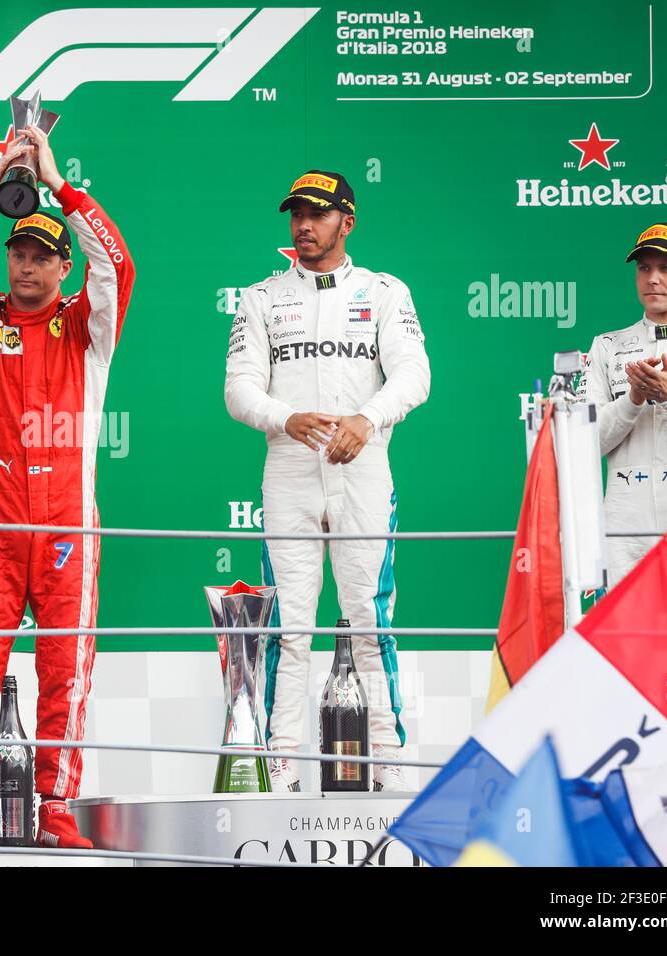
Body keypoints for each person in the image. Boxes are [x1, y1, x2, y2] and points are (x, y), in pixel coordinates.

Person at [0, 124, 134, 848]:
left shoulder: (89, 327)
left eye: (41, 255)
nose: (26, 266)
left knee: (65, 668)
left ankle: (56, 810)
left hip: (69, 524)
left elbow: (118, 264)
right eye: (18, 253)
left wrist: (58, 182)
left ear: (64, 266)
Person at [224, 170, 430, 792]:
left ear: (348, 220)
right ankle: (280, 765)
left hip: (363, 467)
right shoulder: (261, 297)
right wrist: (285, 417)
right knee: (290, 626)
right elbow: (237, 389)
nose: (303, 226)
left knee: (369, 619)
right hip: (289, 470)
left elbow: (415, 375)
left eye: (317, 215)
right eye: (296, 215)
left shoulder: (384, 291)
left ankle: (390, 767)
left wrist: (367, 420)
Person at [579, 222, 667, 587]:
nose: (653, 279)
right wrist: (633, 400)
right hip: (624, 522)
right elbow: (585, 445)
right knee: (619, 641)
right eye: (644, 268)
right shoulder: (608, 346)